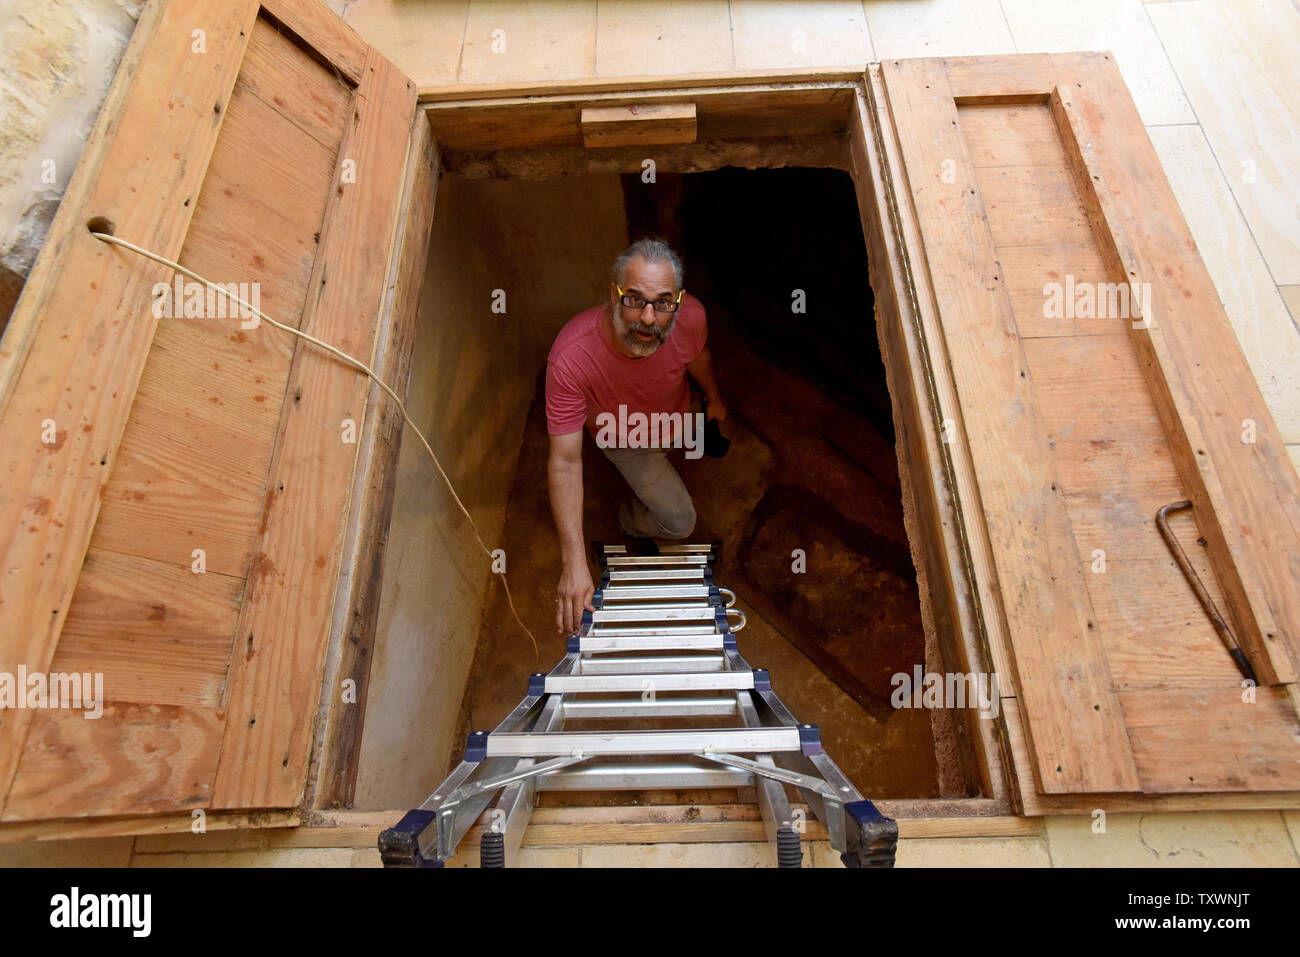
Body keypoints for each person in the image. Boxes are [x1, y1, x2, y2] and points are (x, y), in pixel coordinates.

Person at [545, 237, 726, 635]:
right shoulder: (571, 358)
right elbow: (565, 460)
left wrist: (714, 399)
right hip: (626, 441)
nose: (648, 318)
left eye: (663, 303)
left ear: (678, 302)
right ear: (614, 295)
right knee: (680, 523)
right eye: (634, 299)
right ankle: (628, 520)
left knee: (705, 443)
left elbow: (698, 357)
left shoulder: (690, 317)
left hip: (676, 417)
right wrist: (573, 564)